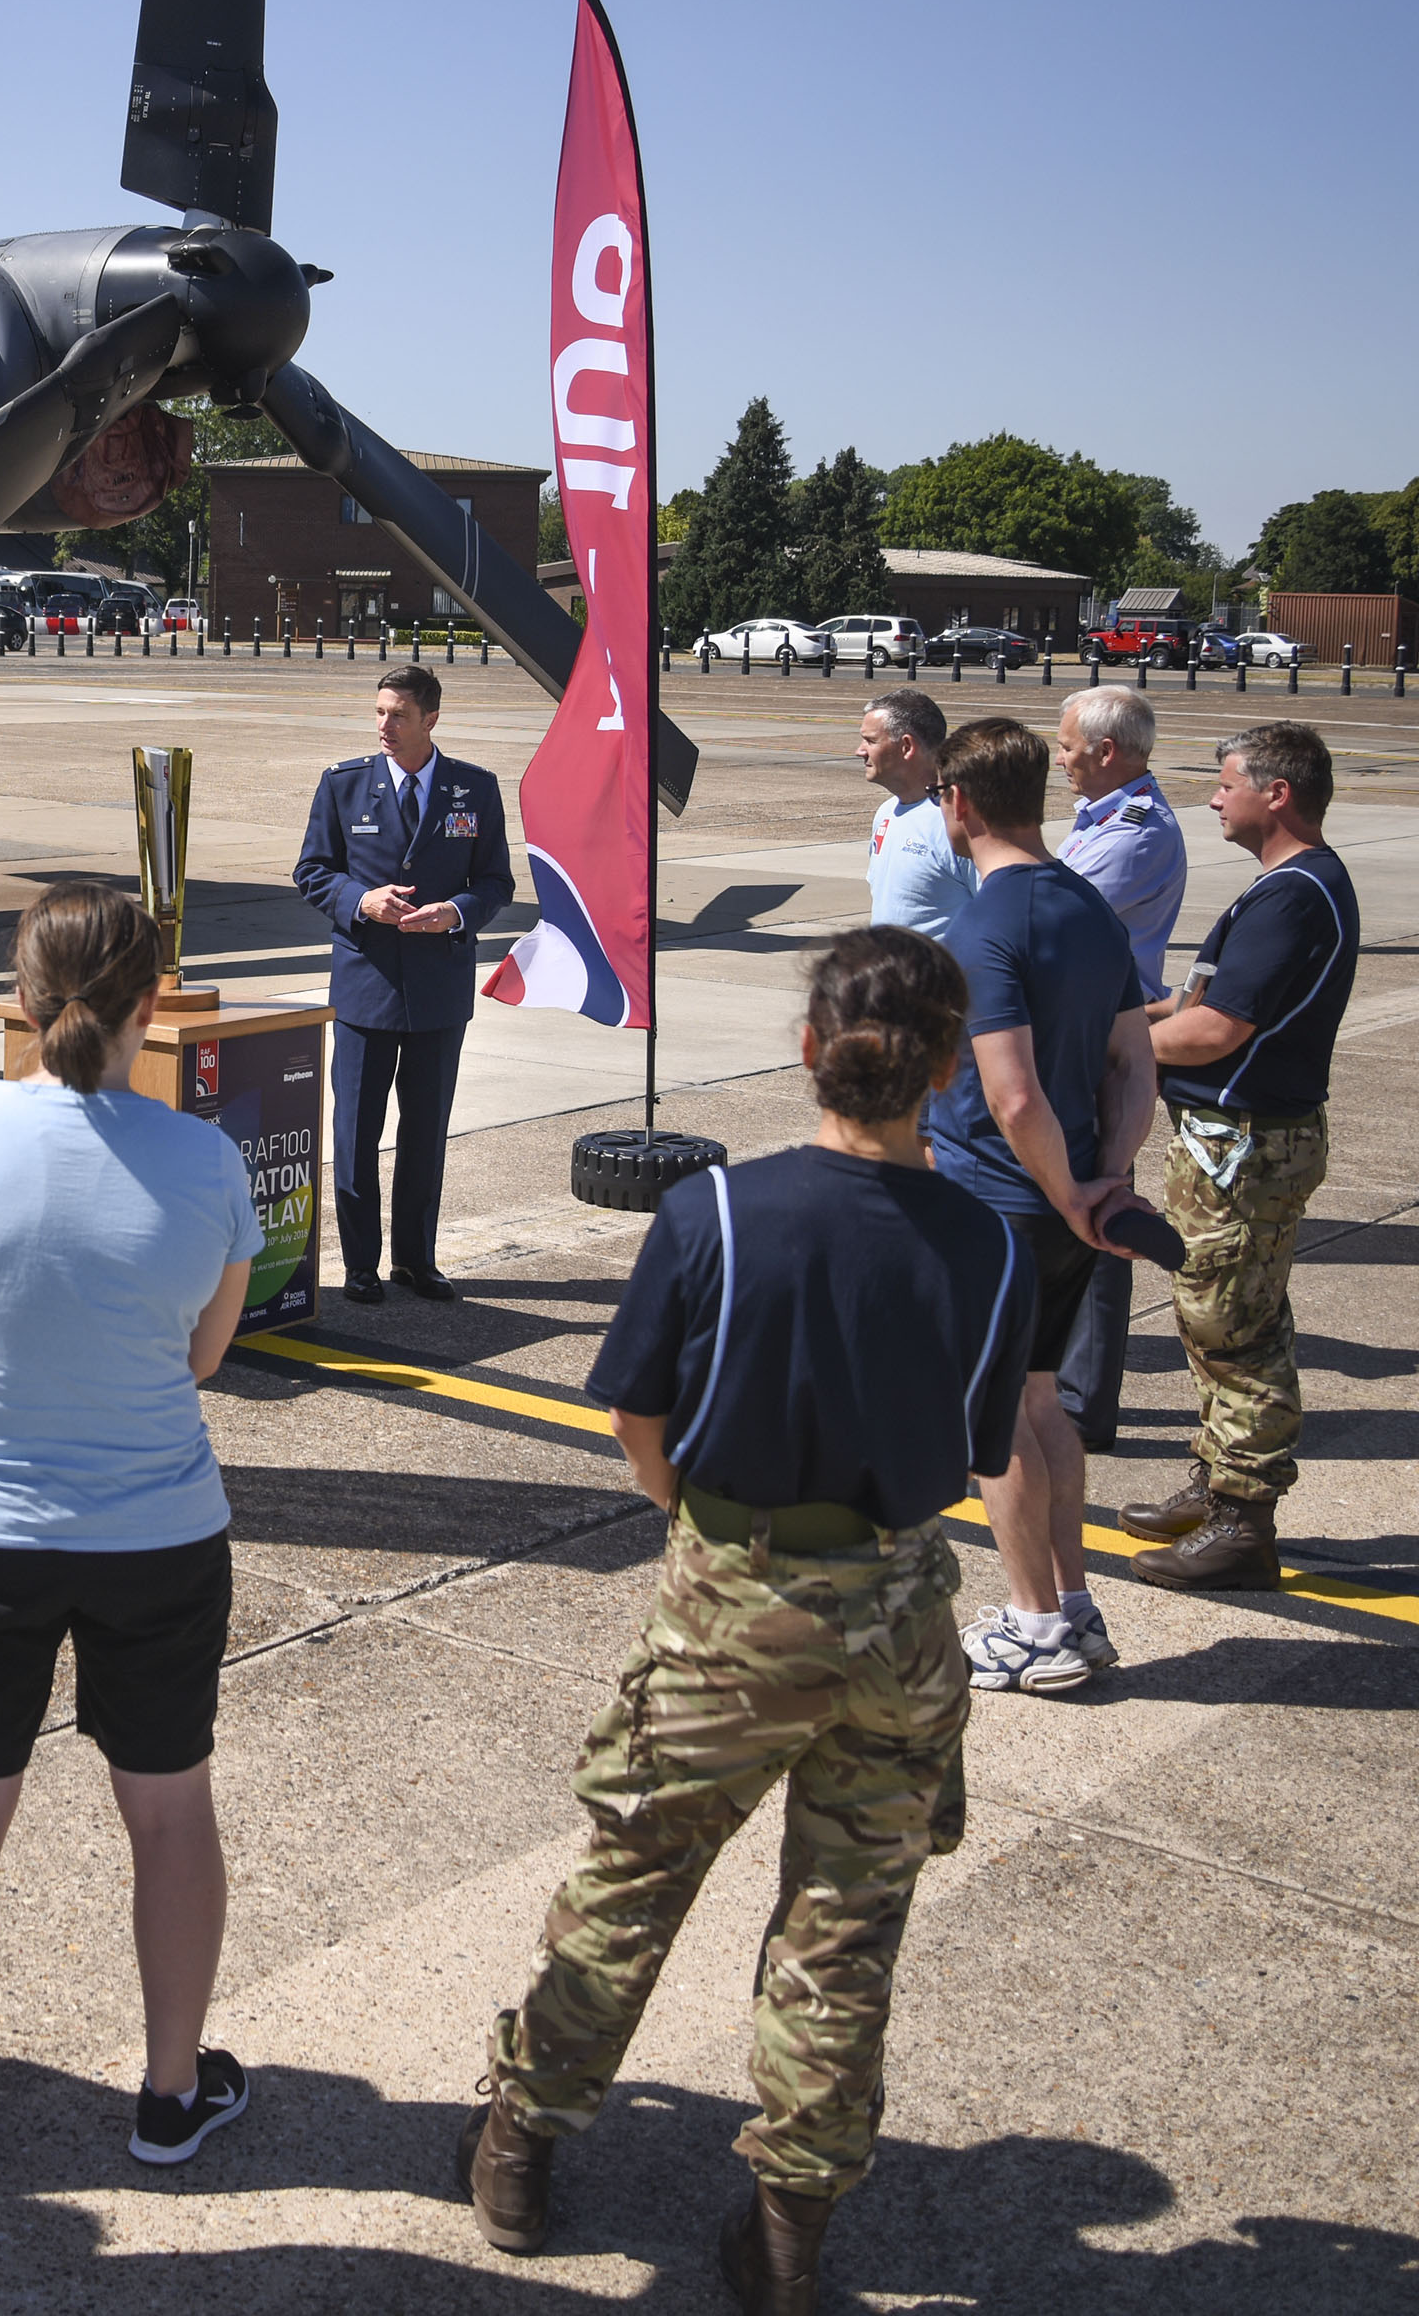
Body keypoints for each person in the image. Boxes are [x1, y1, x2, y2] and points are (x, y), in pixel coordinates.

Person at [459, 926, 1026, 2316]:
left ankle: (522, 2146)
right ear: (947, 1071)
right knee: (845, 1928)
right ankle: (787, 2237)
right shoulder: (987, 1244)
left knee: (633, 1876)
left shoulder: (713, 1213)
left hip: (734, 1593)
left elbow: (638, 1416)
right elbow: (981, 1442)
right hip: (897, 1616)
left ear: (807, 1048)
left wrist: (693, 1521)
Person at [0, 882, 259, 2172]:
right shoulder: (205, 1159)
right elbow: (207, 1359)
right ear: (153, 1007)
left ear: (22, 998)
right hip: (158, 1531)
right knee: (169, 1809)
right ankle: (166, 2093)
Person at [924, 720, 1153, 1693]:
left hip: (1001, 1207)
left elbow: (1012, 1096)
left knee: (998, 1421)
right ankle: (1073, 1604)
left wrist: (1062, 1190)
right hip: (1070, 1206)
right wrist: (1105, 1182)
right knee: (1044, 1398)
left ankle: (1034, 1626)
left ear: (959, 804)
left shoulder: (985, 927)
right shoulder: (1089, 909)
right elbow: (1135, 1062)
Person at [1122, 722, 1359, 1590]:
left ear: (1278, 793)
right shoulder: (1283, 889)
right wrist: (1121, 1017)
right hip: (1236, 1144)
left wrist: (1108, 1052)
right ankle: (1218, 1480)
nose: (1215, 799)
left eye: (1228, 784)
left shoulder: (1295, 893)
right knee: (1222, 1320)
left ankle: (1244, 1522)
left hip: (1246, 1147)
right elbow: (1189, 1004)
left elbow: (1215, 1030)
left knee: (1237, 1332)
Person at [291, 663, 513, 1303]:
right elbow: (311, 871)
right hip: (366, 985)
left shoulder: (473, 788)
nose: (385, 726)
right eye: (380, 712)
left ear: (431, 720)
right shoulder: (344, 785)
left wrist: (456, 913)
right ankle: (361, 1264)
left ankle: (416, 1258)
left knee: (426, 1129)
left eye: (400, 715)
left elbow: (496, 881)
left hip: (439, 991)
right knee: (356, 1132)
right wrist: (362, 901)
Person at [1049, 686, 1188, 1454]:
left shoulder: (1136, 831)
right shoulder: (1101, 818)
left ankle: (1082, 1403)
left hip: (1105, 1045)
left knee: (1099, 1212)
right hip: (1088, 1032)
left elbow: (1058, 913)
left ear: (1107, 752)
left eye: (1068, 745)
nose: (1059, 756)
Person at [857, 689, 970, 939]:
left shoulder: (959, 820)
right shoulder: (886, 813)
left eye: (871, 741)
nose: (860, 751)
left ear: (907, 746)